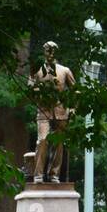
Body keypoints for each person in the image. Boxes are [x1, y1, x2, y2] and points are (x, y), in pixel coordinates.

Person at [29, 40, 75, 184]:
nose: (51, 53)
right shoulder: (36, 70)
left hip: (61, 112)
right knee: (42, 141)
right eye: (48, 50)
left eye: (53, 50)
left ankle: (54, 174)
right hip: (44, 110)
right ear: (44, 51)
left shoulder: (65, 70)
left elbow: (75, 90)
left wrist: (72, 108)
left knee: (59, 144)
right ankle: (38, 175)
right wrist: (39, 92)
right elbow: (30, 87)